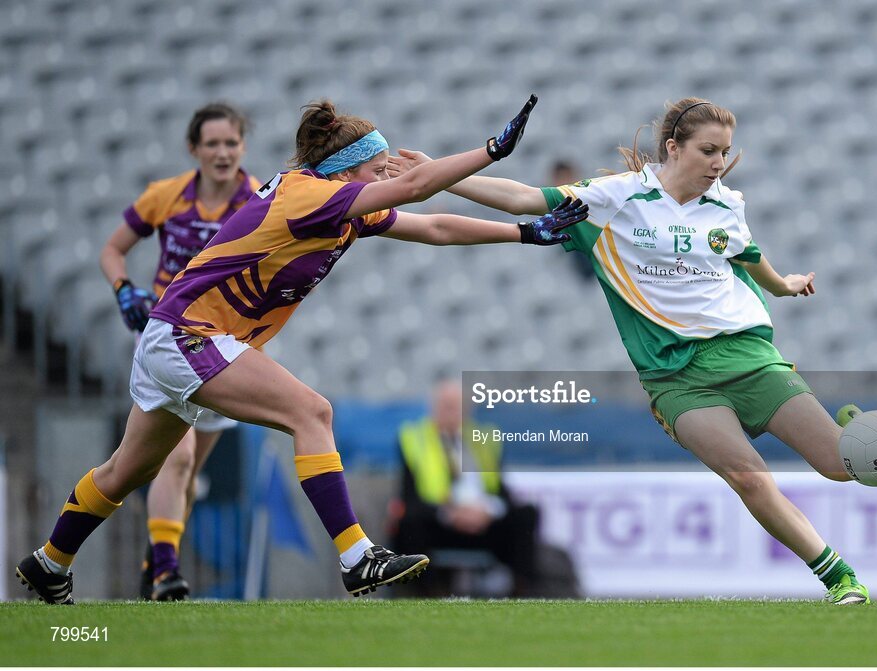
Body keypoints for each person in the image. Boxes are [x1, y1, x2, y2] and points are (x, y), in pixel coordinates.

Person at [15, 94, 590, 604]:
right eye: (376, 162)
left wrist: (523, 232)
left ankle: (49, 563)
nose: (388, 169)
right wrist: (490, 150)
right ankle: (356, 555)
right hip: (190, 334)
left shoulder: (338, 206)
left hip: (177, 336)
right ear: (346, 169)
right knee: (311, 412)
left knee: (124, 472)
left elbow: (434, 225)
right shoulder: (311, 196)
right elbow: (416, 186)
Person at [388, 98, 873, 605]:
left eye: (724, 152)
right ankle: (840, 578)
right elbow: (521, 199)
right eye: (708, 150)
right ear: (673, 147)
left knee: (842, 465)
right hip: (675, 379)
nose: (717, 163)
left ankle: (852, 426)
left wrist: (783, 285)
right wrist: (440, 176)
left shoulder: (727, 203)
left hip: (747, 356)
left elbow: (750, 258)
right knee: (749, 478)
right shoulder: (615, 198)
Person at [99, 102, 262, 601]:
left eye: (230, 142)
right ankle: (167, 570)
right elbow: (112, 250)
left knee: (188, 468)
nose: (222, 152)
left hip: (223, 341)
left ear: (243, 146)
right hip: (169, 334)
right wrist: (124, 288)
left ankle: (156, 561)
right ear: (194, 149)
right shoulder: (165, 196)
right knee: (176, 454)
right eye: (211, 143)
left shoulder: (258, 198)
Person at [391, 380, 541, 596]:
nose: (451, 413)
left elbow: (500, 492)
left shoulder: (485, 441)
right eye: (446, 406)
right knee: (409, 520)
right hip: (439, 524)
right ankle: (428, 592)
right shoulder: (414, 438)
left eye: (457, 407)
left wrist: (487, 511)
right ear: (433, 408)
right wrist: (449, 514)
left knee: (527, 514)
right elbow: (409, 496)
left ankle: (522, 591)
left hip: (484, 524)